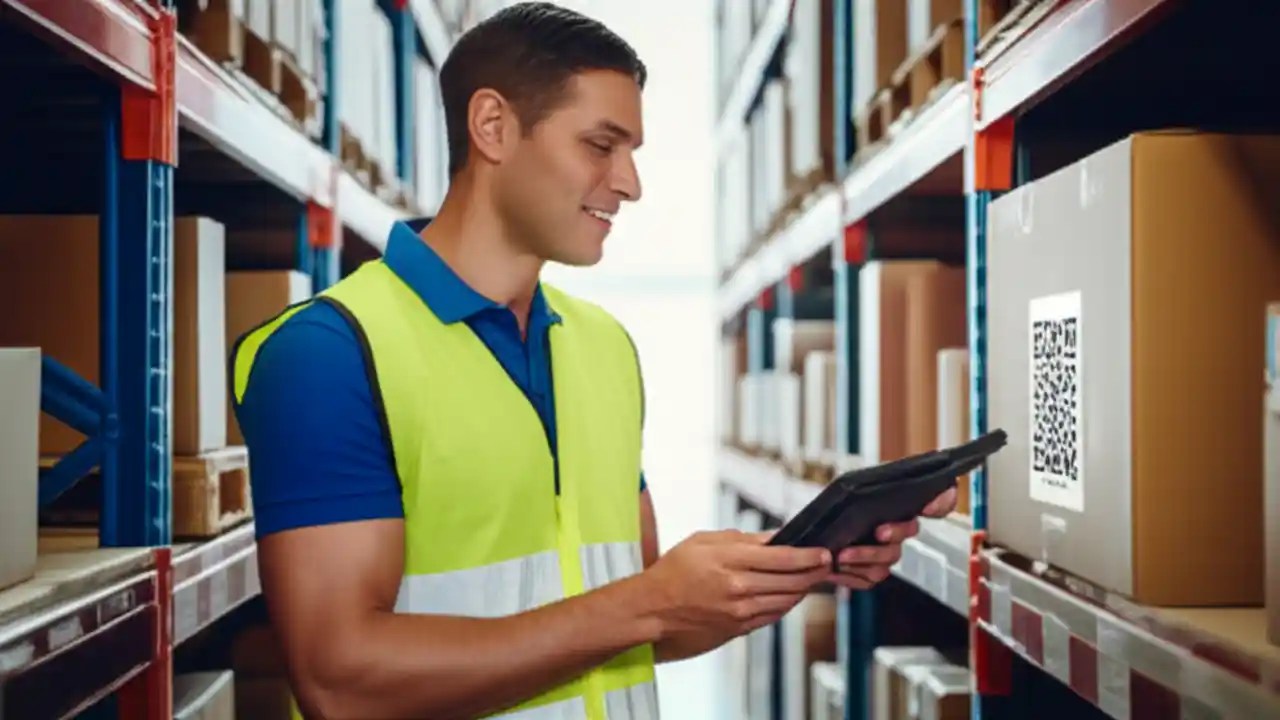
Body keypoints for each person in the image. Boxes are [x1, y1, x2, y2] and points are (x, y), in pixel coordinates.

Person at [230, 4, 957, 719]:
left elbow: (646, 626)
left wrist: (792, 565)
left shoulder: (602, 347)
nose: (630, 183)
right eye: (601, 145)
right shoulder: (326, 355)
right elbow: (340, 681)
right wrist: (645, 601)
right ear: (493, 127)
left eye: (632, 151)